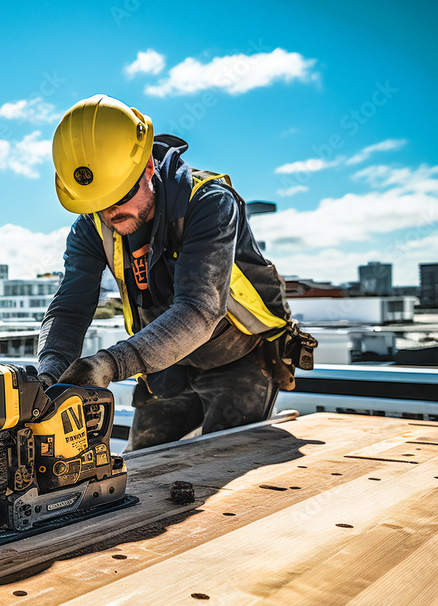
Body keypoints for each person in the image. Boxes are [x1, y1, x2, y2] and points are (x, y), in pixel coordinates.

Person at [38, 95, 311, 452]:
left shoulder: (209, 202)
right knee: (140, 466)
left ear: (148, 168)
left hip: (238, 359)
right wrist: (48, 375)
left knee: (223, 465)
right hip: (164, 362)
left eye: (120, 195)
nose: (111, 212)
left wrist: (108, 364)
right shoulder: (92, 226)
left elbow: (200, 309)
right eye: (98, 204)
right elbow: (70, 309)